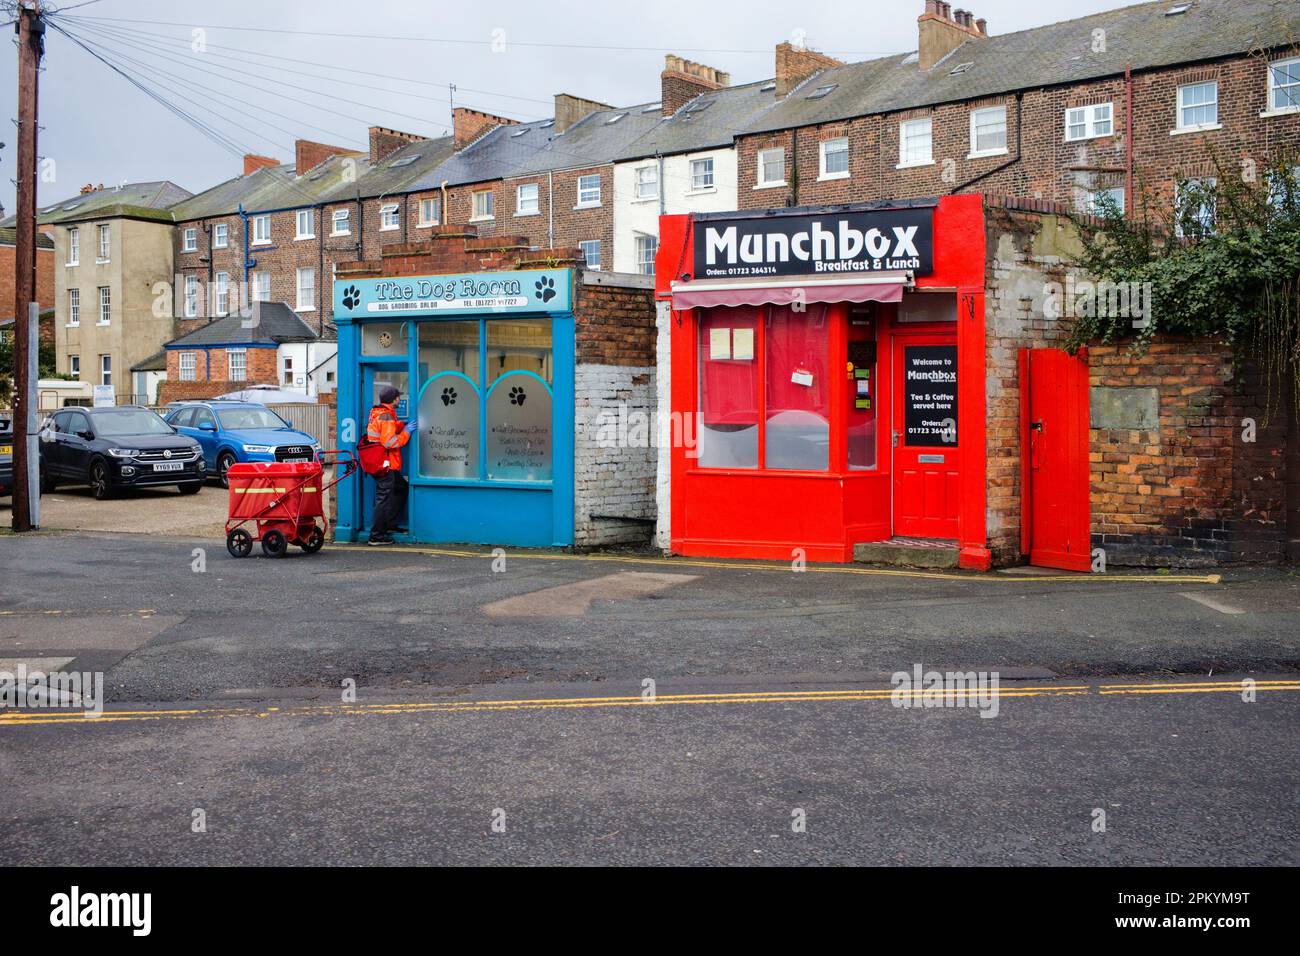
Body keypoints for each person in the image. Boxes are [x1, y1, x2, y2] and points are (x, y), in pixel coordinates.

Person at [366, 385, 417, 545]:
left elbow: (386, 429)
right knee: (384, 498)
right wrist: (407, 432)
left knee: (401, 488)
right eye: (398, 397)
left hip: (383, 463)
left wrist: (401, 425)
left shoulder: (379, 413)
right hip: (385, 464)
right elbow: (390, 442)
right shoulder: (386, 415)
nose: (400, 399)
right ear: (394, 399)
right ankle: (376, 536)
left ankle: (388, 524)